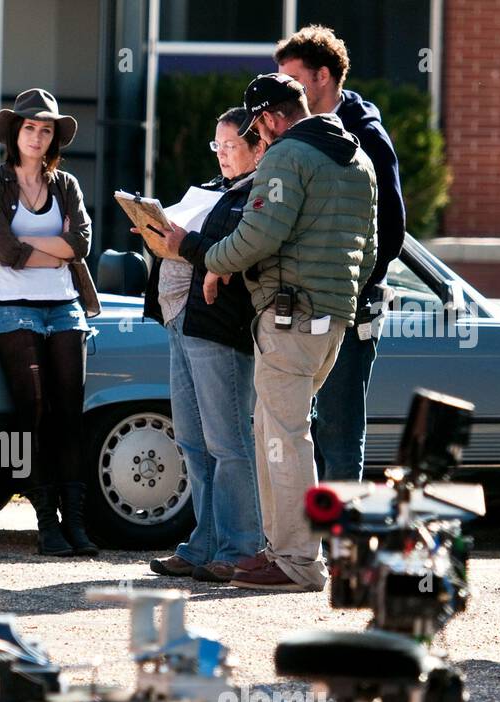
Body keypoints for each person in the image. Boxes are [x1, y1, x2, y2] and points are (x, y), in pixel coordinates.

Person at [201, 73, 377, 592]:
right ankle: (283, 550)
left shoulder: (286, 156)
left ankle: (298, 559)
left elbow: (259, 233)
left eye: (256, 128)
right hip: (334, 318)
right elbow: (369, 250)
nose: (258, 138)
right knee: (279, 431)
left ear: (270, 118)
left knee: (284, 437)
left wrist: (210, 259)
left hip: (289, 315)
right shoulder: (359, 159)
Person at [0, 88, 101, 556]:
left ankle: (76, 523)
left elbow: (81, 244)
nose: (37, 137)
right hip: (11, 306)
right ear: (15, 133)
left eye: (46, 130)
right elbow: (5, 252)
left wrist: (35, 250)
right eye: (30, 128)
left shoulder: (66, 185)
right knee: (36, 414)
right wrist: (55, 251)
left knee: (70, 415)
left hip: (64, 305)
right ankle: (46, 522)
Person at [275, 24, 406, 484]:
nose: (287, 91)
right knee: (300, 429)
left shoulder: (366, 136)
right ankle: (304, 530)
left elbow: (391, 230)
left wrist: (350, 283)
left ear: (323, 76)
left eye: (294, 80)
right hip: (300, 305)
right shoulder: (295, 133)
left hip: (351, 306)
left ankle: (338, 530)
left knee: (339, 432)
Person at [144, 107, 266, 582]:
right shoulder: (215, 190)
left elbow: (237, 255)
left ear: (258, 148)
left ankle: (241, 548)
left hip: (219, 326)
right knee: (194, 442)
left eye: (232, 146)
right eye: (218, 146)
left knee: (227, 442)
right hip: (183, 321)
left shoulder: (259, 194)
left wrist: (185, 243)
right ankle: (204, 545)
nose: (222, 155)